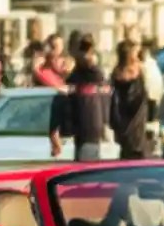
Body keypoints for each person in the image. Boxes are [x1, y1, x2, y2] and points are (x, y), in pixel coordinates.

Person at [50, 34, 111, 162]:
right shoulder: (79, 77)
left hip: (89, 133)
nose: (86, 57)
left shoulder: (93, 77)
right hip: (82, 132)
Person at [110, 39, 150, 160]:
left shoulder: (115, 75)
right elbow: (138, 101)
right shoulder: (138, 75)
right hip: (136, 131)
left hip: (123, 129)